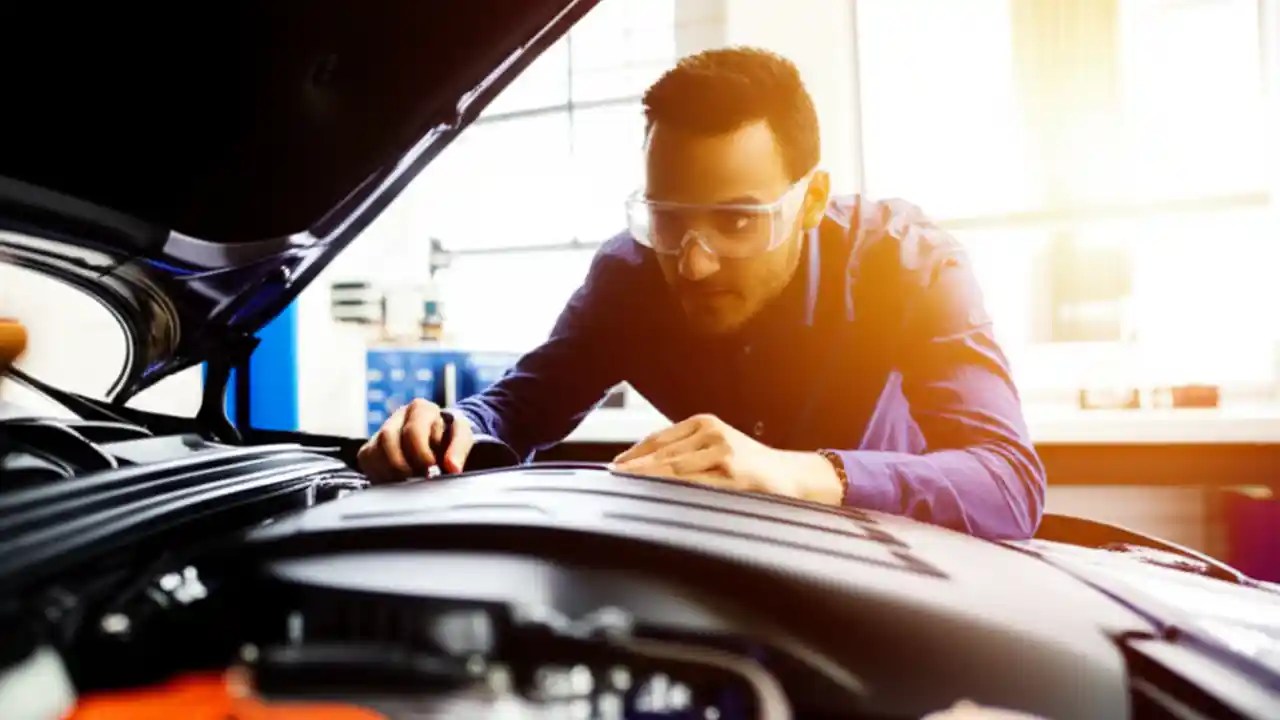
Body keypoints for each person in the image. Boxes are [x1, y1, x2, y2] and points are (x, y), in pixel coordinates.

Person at [358, 47, 1046, 540]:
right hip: (718, 570)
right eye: (668, 217)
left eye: (738, 221)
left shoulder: (908, 261)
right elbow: (523, 404)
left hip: (896, 580)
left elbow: (1009, 482)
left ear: (809, 202)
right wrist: (453, 431)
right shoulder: (628, 275)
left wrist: (790, 473)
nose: (692, 263)